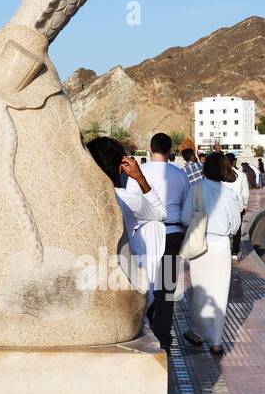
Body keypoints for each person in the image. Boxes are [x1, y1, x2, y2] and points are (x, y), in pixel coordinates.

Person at [128, 133, 193, 352]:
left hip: (146, 234)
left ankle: (143, 331)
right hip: (172, 233)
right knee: (166, 289)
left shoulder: (139, 172)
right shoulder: (180, 174)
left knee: (144, 282)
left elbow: (131, 204)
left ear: (150, 148)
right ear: (170, 150)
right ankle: (163, 337)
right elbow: (186, 207)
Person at [86, 138, 166, 302]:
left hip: (87, 269)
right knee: (155, 225)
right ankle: (146, 296)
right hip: (118, 273)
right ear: (121, 167)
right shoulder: (126, 198)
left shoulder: (80, 198)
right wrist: (139, 178)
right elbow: (160, 213)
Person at [183, 153, 241, 356]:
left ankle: (197, 333)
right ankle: (216, 342)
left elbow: (184, 217)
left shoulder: (196, 189)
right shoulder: (230, 193)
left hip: (201, 244)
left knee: (200, 291)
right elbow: (235, 226)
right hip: (221, 246)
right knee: (220, 292)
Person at [225, 154, 249, 260]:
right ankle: (234, 252)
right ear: (234, 161)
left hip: (224, 207)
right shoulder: (241, 175)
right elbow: (245, 193)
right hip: (238, 206)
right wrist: (244, 205)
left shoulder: (221, 175)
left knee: (225, 229)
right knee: (237, 230)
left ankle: (225, 250)